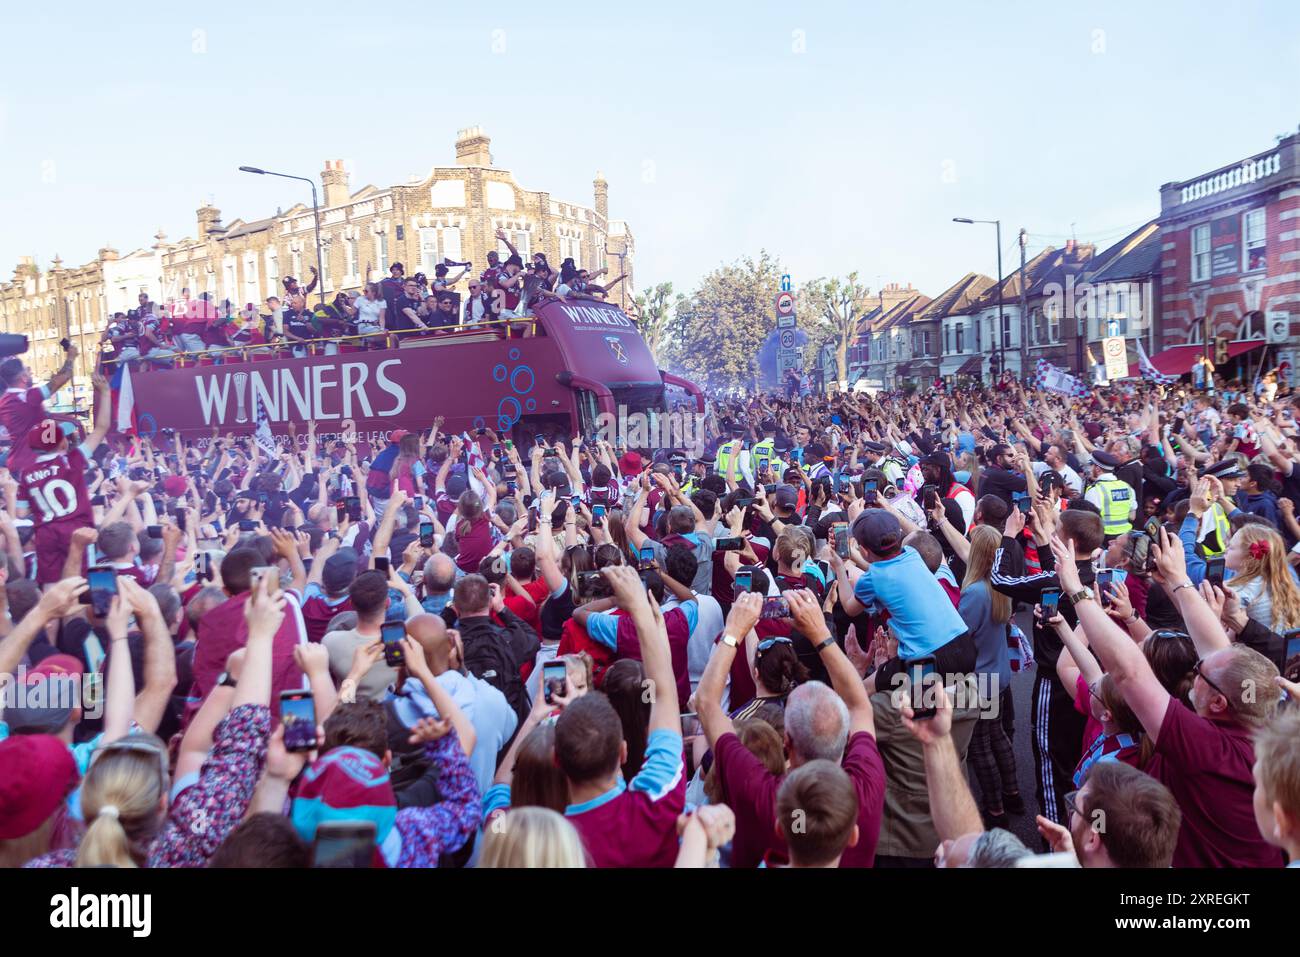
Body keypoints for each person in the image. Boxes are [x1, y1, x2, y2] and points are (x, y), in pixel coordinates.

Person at [16, 373, 111, 585]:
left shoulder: (26, 473)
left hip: (46, 533)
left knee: (51, 584)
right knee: (84, 583)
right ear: (61, 444)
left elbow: (21, 512)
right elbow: (101, 428)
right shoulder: (72, 460)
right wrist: (104, 393)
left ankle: (54, 619)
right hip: (76, 529)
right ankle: (84, 617)